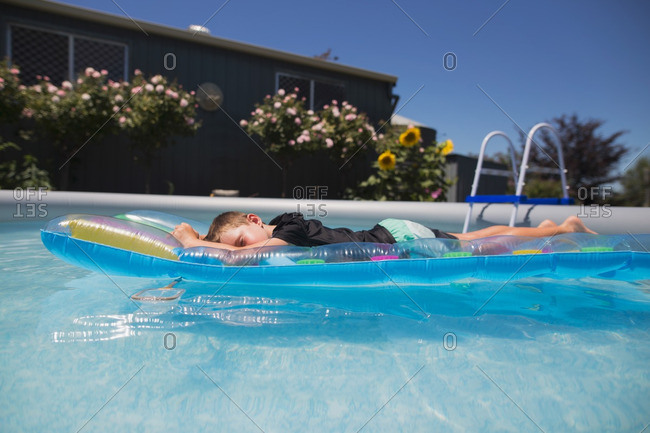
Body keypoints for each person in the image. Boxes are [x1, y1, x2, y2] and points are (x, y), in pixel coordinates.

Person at [171, 211, 597, 251]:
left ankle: (557, 229)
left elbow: (257, 253)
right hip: (389, 232)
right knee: (468, 239)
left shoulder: (289, 228)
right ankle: (547, 227)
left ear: (253, 222)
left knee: (473, 243)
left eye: (241, 241)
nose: (241, 250)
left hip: (396, 240)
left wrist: (190, 240)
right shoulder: (286, 227)